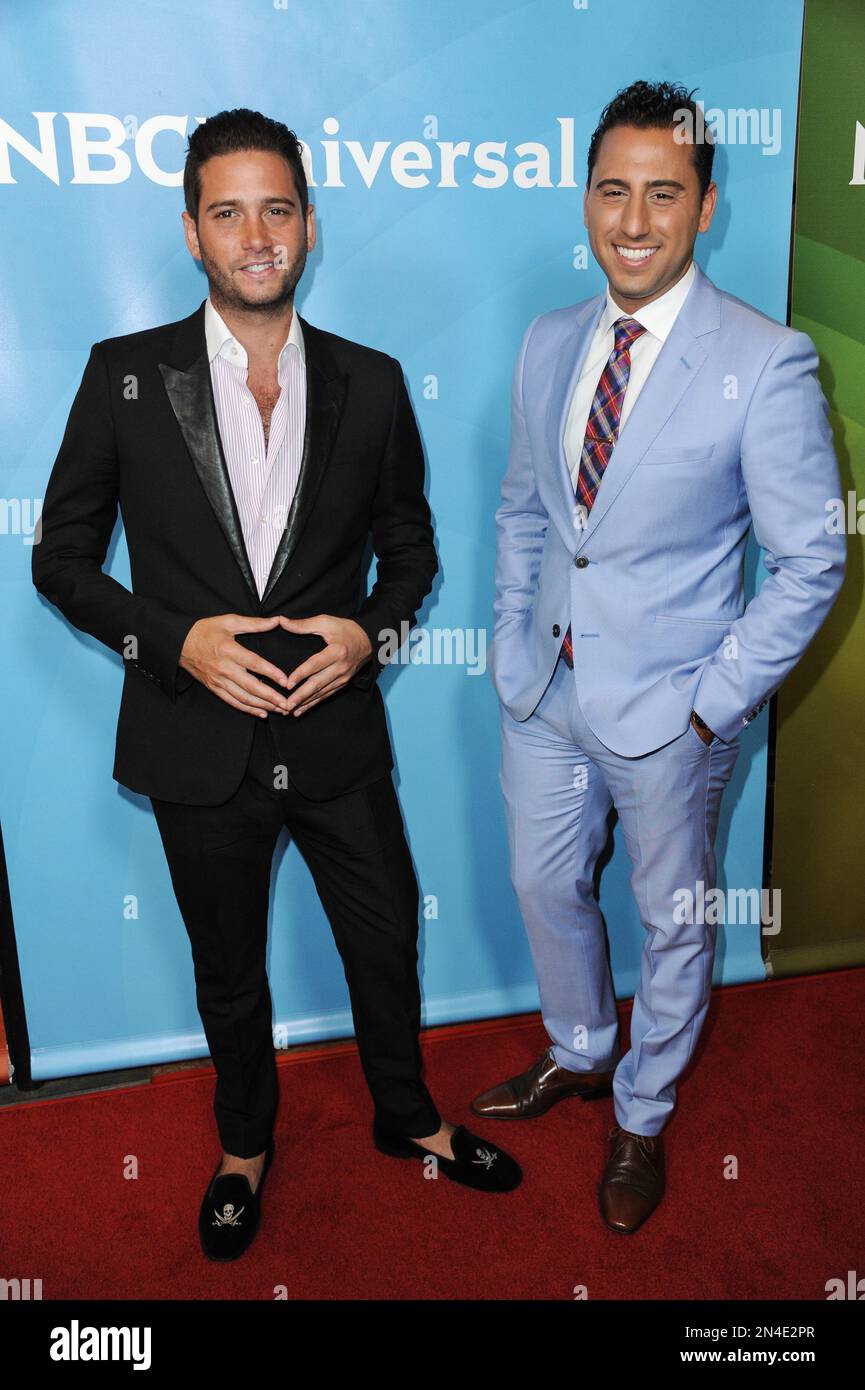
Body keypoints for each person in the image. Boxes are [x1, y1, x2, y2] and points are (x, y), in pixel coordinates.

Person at [32, 107, 520, 1263]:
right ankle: (244, 1147)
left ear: (308, 223)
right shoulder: (122, 376)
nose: (256, 236)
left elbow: (412, 552)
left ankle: (407, 1117)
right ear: (191, 230)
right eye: (228, 212)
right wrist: (177, 643)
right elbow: (60, 560)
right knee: (227, 968)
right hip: (194, 737)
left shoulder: (373, 381)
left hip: (335, 731)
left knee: (385, 938)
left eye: (277, 209)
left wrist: (366, 633)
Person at [474, 80, 845, 1233]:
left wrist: (710, 704)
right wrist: (511, 640)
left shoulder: (767, 360)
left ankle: (641, 1108)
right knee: (543, 883)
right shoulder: (547, 340)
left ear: (705, 206)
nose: (633, 221)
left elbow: (810, 562)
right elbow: (525, 510)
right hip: (544, 688)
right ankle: (582, 1046)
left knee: (672, 917)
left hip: (672, 712)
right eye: (612, 190)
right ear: (585, 196)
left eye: (664, 194)